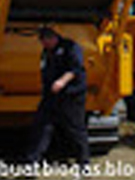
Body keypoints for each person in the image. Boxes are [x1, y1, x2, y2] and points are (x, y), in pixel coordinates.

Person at [25, 26, 89, 165]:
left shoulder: (70, 47)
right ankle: (32, 161)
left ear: (53, 38)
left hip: (71, 96)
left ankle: (84, 163)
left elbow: (76, 68)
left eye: (45, 41)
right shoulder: (47, 52)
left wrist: (62, 81)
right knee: (42, 126)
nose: (44, 45)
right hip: (51, 95)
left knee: (75, 129)